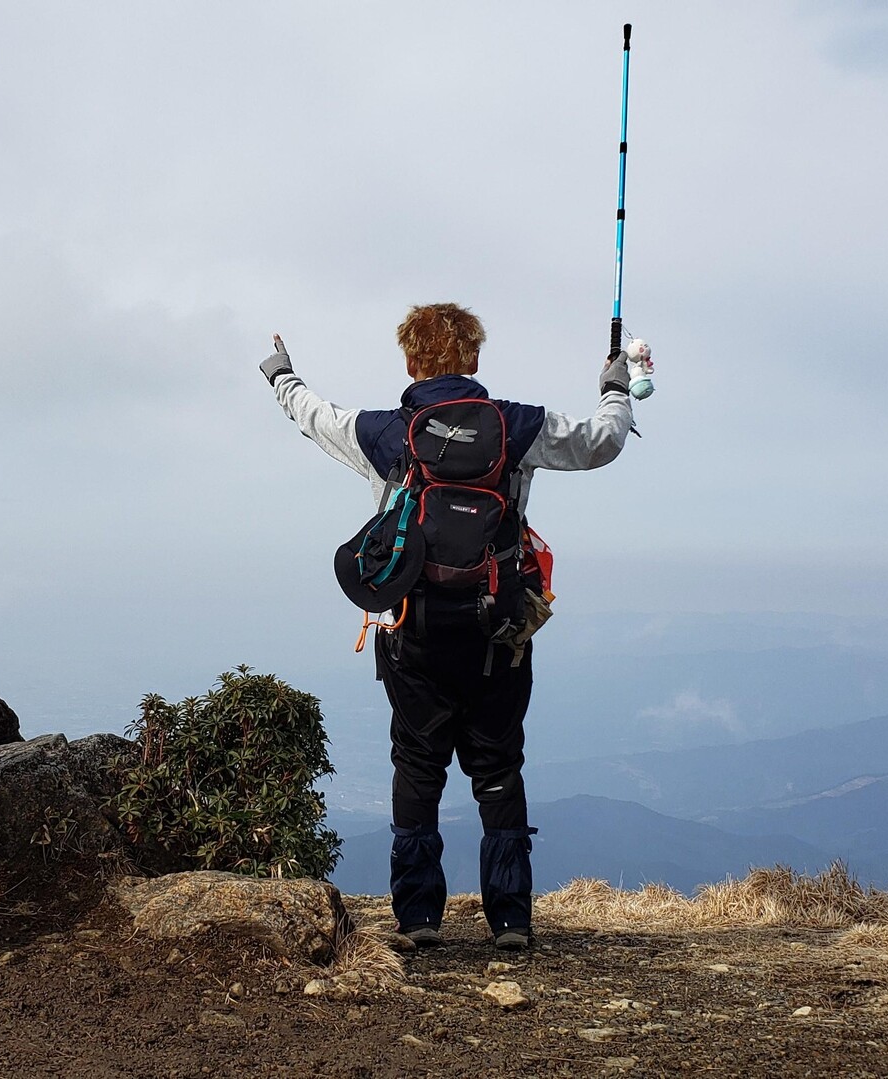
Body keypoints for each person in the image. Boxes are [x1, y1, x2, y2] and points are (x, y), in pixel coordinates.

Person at [259, 302, 639, 950]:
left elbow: (314, 419)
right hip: (498, 635)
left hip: (418, 635)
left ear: (410, 361)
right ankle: (512, 921)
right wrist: (614, 387)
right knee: (497, 769)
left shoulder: (390, 434)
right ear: (474, 358)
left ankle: (417, 919)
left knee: (416, 769)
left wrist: (279, 375)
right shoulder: (515, 427)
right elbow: (600, 443)